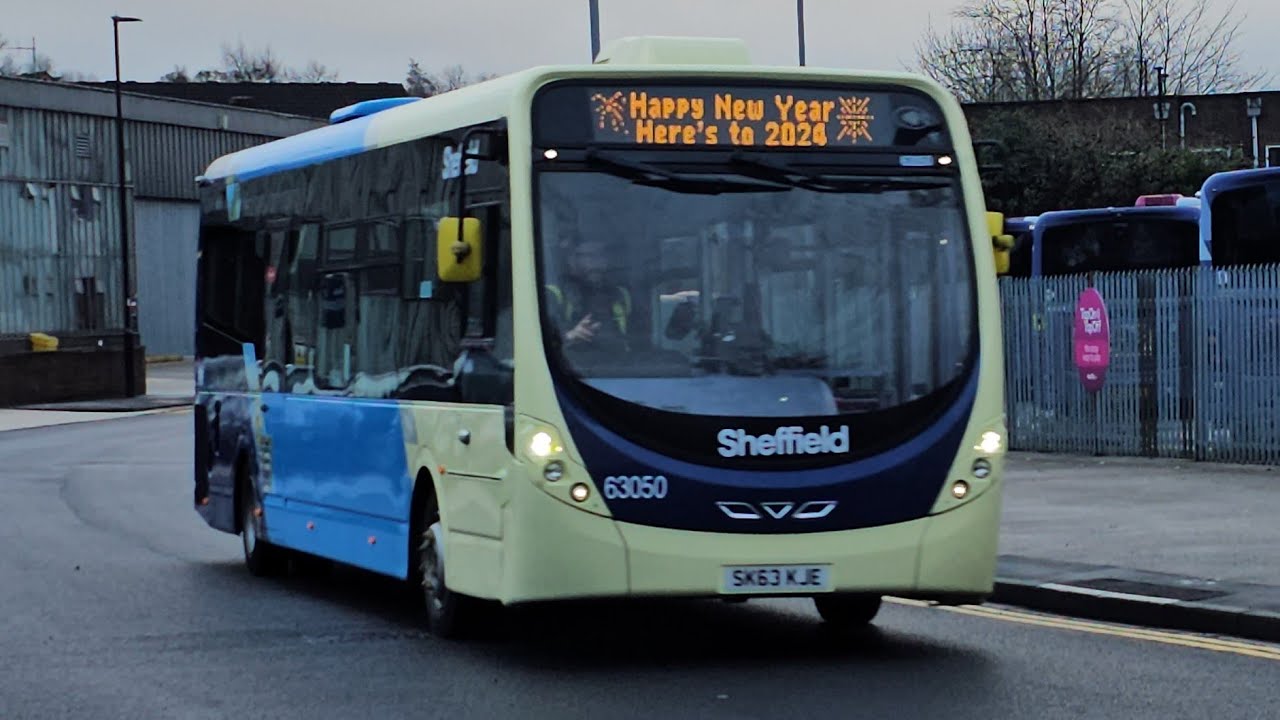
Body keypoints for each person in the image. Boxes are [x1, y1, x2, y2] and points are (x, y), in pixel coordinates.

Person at [545, 238, 633, 351]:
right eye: (589, 256)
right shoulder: (553, 295)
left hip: (620, 365)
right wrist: (570, 336)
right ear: (572, 260)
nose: (597, 264)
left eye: (601, 256)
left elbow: (640, 339)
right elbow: (535, 346)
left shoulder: (622, 295)